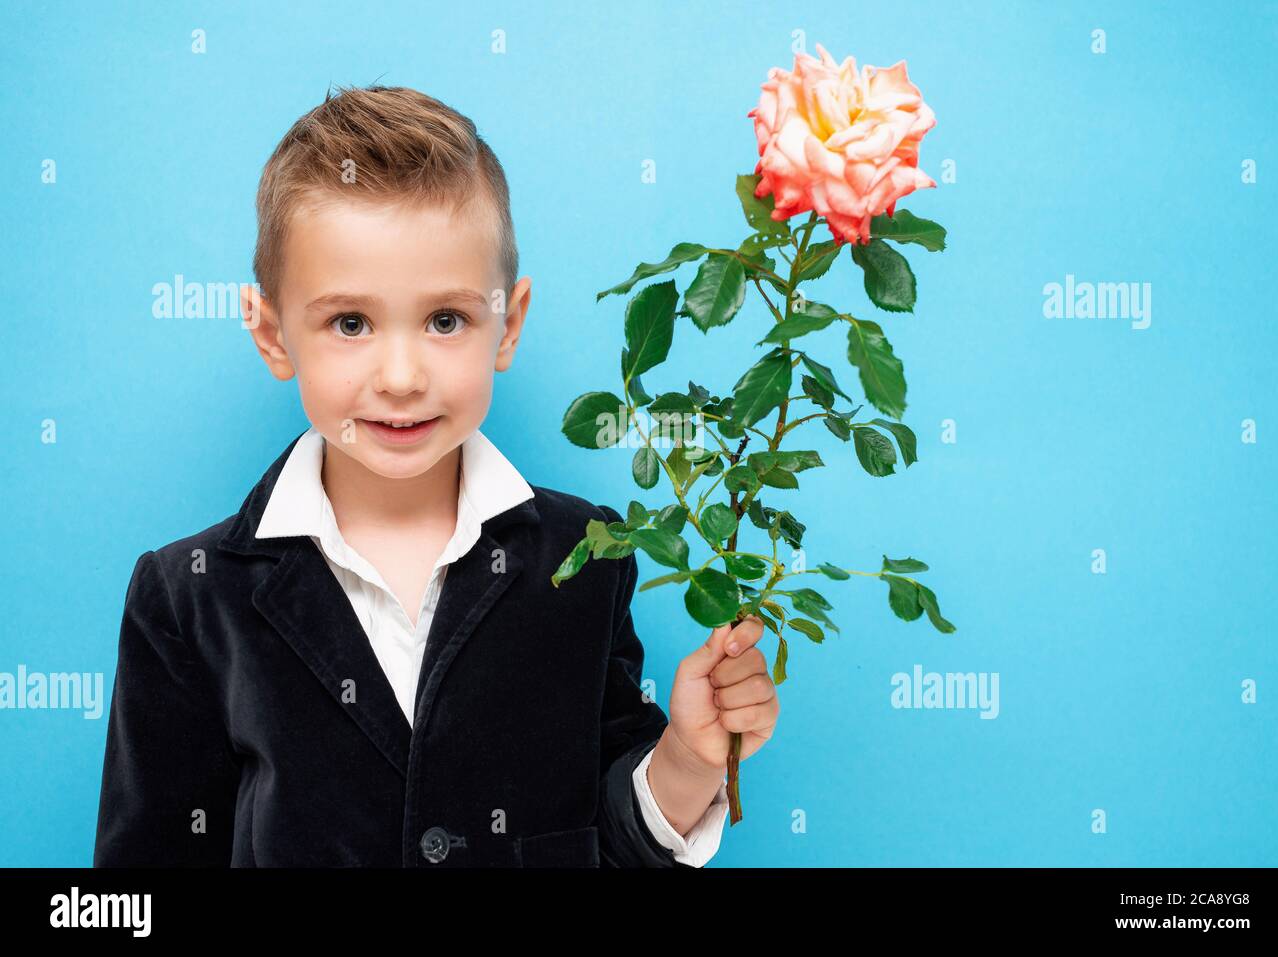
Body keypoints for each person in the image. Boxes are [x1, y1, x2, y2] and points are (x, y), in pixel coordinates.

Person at [93, 85, 779, 867]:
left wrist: (688, 760)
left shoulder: (586, 557)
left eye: (444, 320)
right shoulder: (187, 597)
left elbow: (610, 842)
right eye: (350, 323)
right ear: (273, 333)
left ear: (507, 323)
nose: (400, 375)